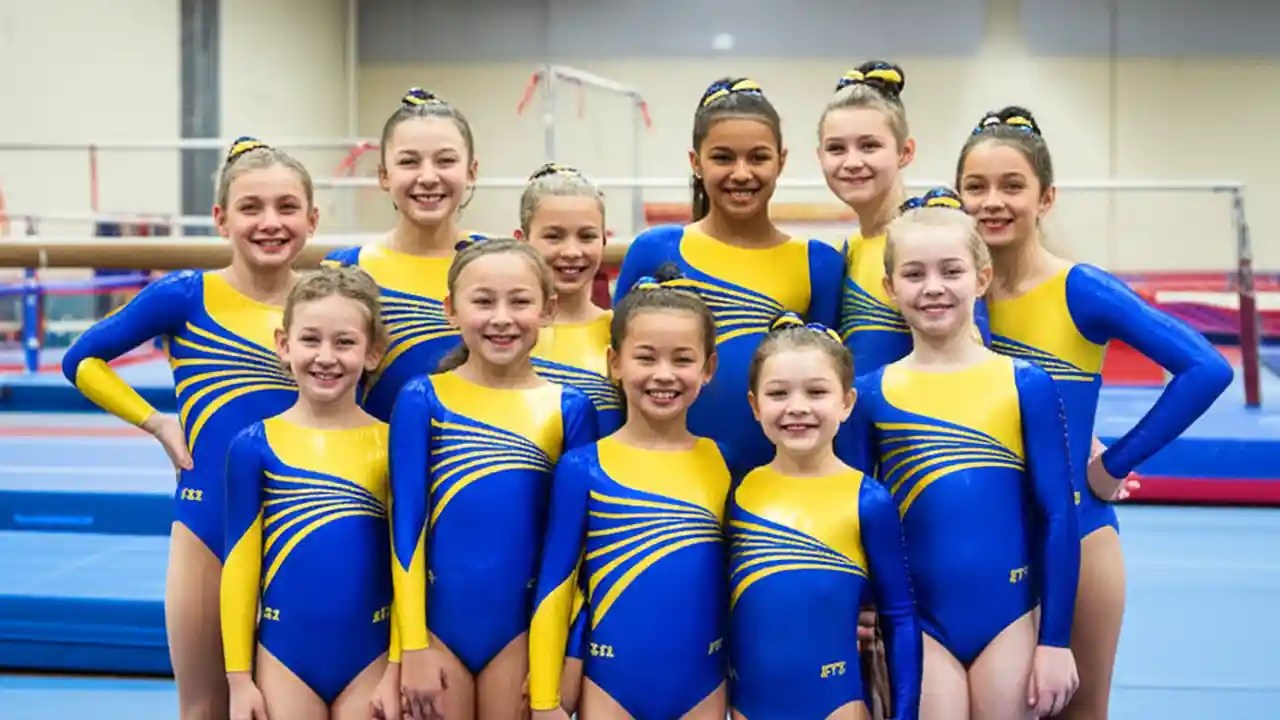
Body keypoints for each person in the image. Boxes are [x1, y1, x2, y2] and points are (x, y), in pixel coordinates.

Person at [958, 107, 1233, 718]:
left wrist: (1113, 463)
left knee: (1079, 712)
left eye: (1012, 185)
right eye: (976, 187)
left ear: (1046, 197)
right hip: (979, 539)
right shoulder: (950, 295)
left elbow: (1206, 368)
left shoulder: (1079, 289)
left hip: (1078, 533)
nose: (992, 201)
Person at [61, 137, 314, 719]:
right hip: (209, 526)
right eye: (250, 207)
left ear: (312, 218)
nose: (270, 222)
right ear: (221, 219)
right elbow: (82, 359)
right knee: (204, 707)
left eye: (286, 207)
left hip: (307, 525)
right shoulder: (186, 296)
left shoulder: (330, 300)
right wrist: (156, 422)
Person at [841, 189, 1081, 719]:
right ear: (889, 287)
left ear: (982, 278)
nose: (934, 287)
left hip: (1010, 619)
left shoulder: (1024, 385)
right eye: (914, 274)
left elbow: (1058, 516)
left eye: (951, 271)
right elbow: (851, 519)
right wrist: (860, 606)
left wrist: (1055, 640)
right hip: (916, 624)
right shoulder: (871, 396)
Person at [390, 237, 598, 720]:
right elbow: (406, 530)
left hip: (523, 637)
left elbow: (576, 553)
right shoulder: (423, 399)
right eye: (483, 302)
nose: (502, 318)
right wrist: (411, 647)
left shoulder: (569, 409)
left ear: (548, 309)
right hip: (436, 635)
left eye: (519, 301)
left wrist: (560, 655)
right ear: (451, 310)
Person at [528, 266, 730, 720]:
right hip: (609, 687)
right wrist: (544, 699)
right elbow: (556, 585)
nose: (664, 375)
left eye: (683, 359)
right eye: (646, 358)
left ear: (709, 368)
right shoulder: (583, 467)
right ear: (614, 363)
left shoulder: (723, 463)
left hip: (704, 685)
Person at [613, 77, 845, 472]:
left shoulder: (817, 263)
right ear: (696, 162)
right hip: (667, 475)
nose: (741, 173)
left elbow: (830, 386)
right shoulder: (655, 250)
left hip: (778, 477)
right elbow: (621, 373)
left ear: (781, 161)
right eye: (723, 158)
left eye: (758, 158)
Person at [221, 266, 400, 720]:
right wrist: (238, 680)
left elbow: (408, 564)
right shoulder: (254, 446)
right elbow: (240, 567)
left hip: (373, 658)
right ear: (284, 345)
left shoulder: (393, 446)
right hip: (285, 659)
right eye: (310, 340)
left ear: (373, 352)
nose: (326, 357)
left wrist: (399, 665)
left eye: (345, 342)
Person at [728, 313, 922, 720]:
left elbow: (900, 616)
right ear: (754, 405)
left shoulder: (868, 500)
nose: (797, 407)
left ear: (847, 402)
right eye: (778, 393)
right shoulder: (740, 494)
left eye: (817, 392)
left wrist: (905, 715)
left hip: (837, 705)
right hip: (748, 706)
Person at [324, 88, 483, 420]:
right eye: (409, 162)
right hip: (376, 451)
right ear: (384, 175)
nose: (428, 177)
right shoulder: (347, 270)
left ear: (471, 171)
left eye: (445, 161)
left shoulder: (499, 264)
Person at [518, 162, 624, 436]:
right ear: (522, 239)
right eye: (554, 237)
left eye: (586, 236)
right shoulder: (505, 333)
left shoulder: (620, 332)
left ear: (603, 240)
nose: (572, 252)